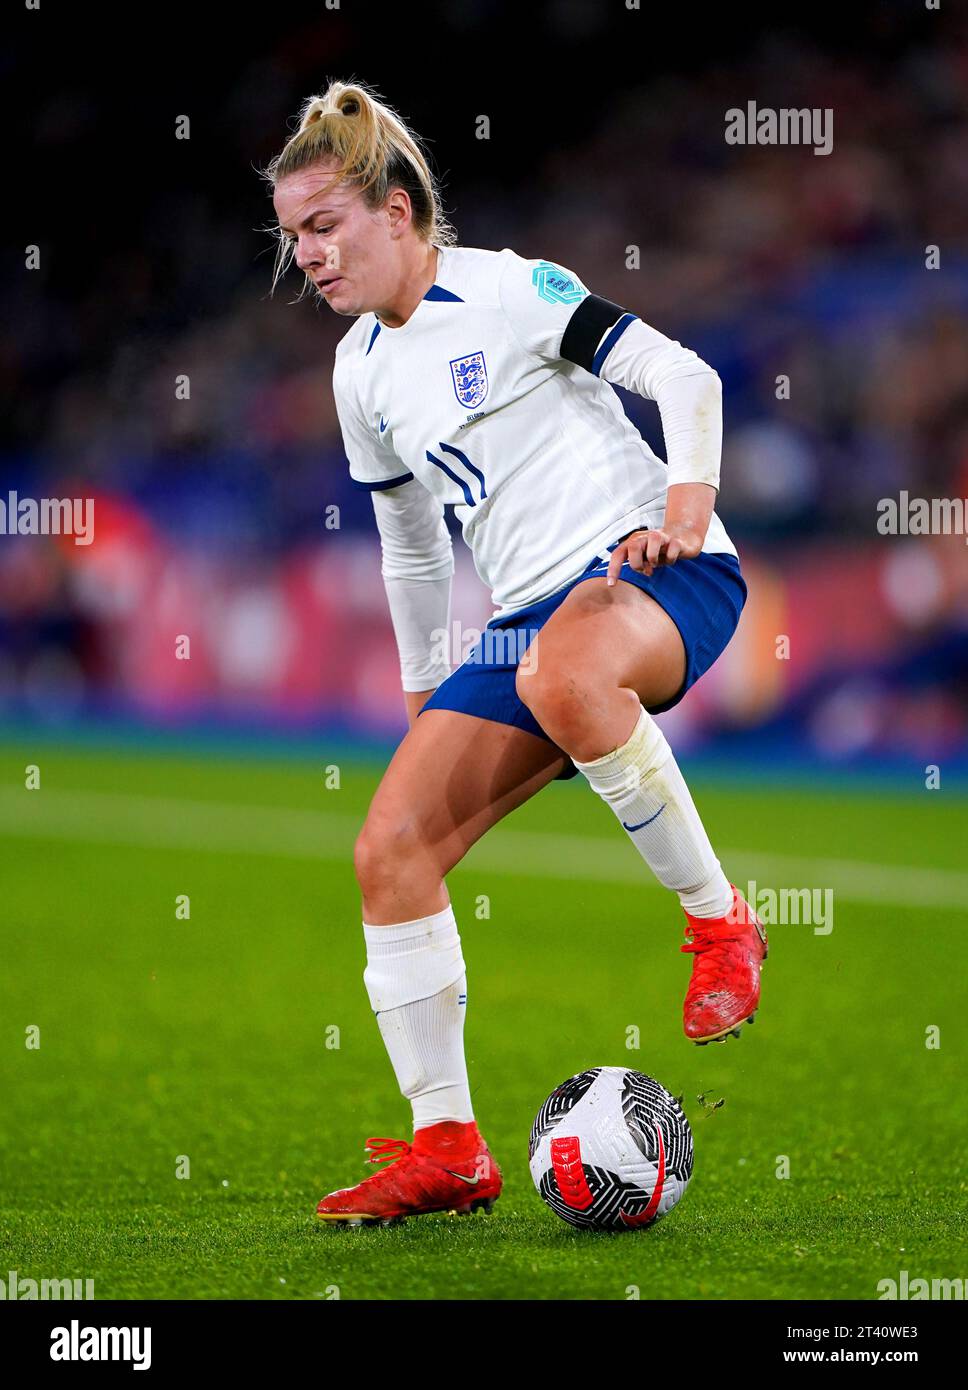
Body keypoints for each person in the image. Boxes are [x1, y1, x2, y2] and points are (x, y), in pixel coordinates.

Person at [265, 80, 767, 1226]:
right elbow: (407, 546)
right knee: (388, 847)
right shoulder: (359, 372)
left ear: (396, 210)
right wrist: (419, 699)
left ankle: (717, 922)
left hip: (655, 569)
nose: (309, 259)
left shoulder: (507, 288)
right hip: (527, 623)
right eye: (293, 238)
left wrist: (685, 507)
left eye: (325, 228)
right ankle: (448, 1145)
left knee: (565, 667)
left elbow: (684, 376)